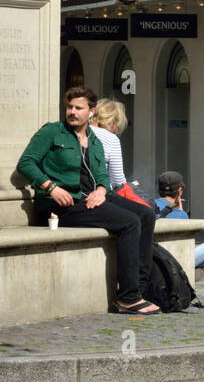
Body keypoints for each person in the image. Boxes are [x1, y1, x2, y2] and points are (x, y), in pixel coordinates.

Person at [17, 85, 159, 315]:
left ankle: (140, 288)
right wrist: (50, 187)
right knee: (130, 222)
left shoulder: (93, 139)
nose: (72, 112)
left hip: (91, 198)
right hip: (63, 204)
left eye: (78, 108)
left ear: (91, 112)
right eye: (69, 107)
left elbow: (102, 174)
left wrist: (102, 189)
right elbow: (26, 163)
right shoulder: (52, 131)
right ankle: (128, 297)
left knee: (146, 214)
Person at [154, 170, 204, 273]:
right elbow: (184, 245)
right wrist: (181, 212)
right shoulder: (180, 215)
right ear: (179, 190)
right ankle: (188, 276)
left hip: (153, 260)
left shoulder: (148, 205)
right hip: (173, 263)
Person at [90, 98, 130, 190]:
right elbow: (117, 180)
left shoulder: (79, 131)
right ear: (111, 121)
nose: (116, 129)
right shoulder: (111, 139)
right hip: (98, 194)